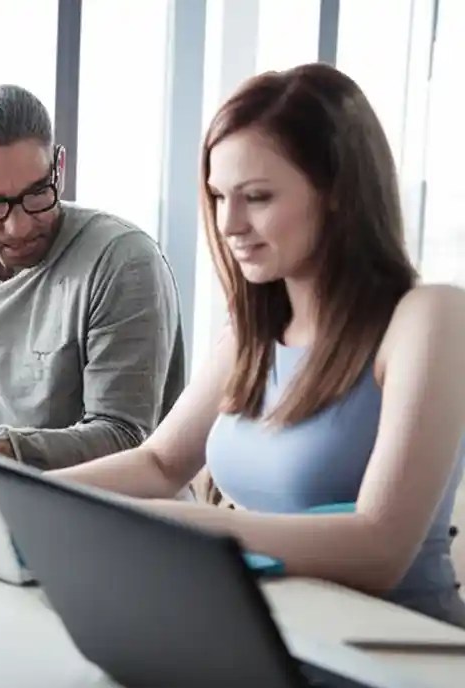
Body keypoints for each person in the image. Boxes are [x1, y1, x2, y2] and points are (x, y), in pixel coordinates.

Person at [48, 64, 465, 627]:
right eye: (219, 196)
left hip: (397, 648)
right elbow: (160, 463)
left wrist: (196, 527)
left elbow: (380, 547)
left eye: (258, 197)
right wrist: (14, 495)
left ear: (338, 192)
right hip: (267, 629)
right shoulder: (253, 331)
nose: (229, 223)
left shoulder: (429, 318)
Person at [0, 84, 186, 470]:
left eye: (38, 193)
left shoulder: (122, 261)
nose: (19, 226)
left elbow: (124, 436)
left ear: (59, 167)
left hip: (110, 498)